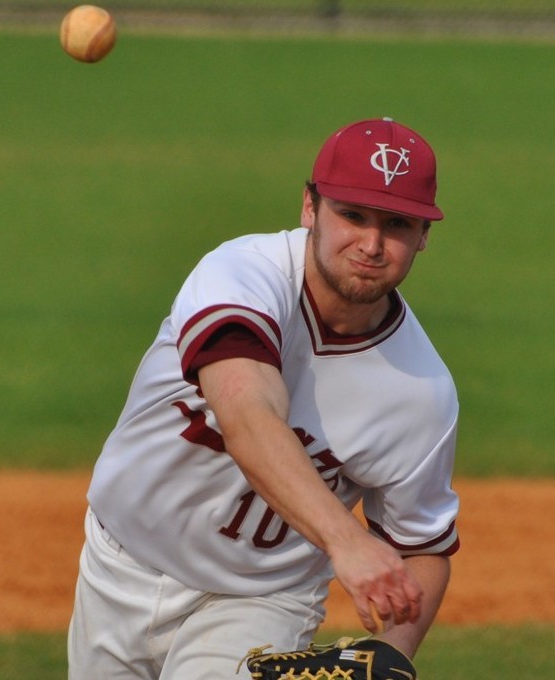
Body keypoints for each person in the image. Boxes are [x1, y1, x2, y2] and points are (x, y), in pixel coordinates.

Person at [68, 117, 460, 679]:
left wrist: (394, 650)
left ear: (423, 236)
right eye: (353, 215)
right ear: (310, 207)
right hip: (118, 564)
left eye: (397, 224)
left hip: (262, 599)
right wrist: (346, 540)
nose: (372, 245)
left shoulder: (422, 392)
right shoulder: (242, 273)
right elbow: (247, 413)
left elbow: (423, 544)